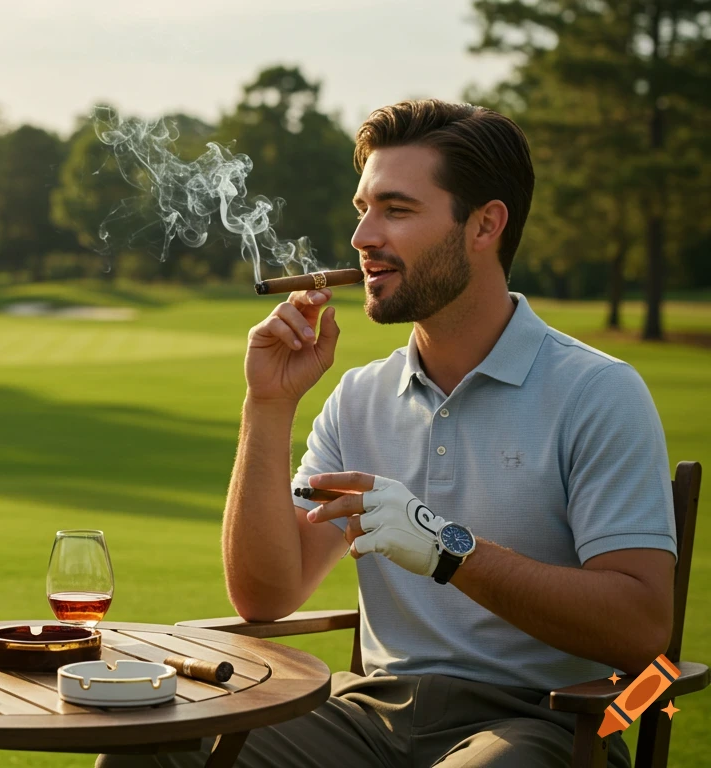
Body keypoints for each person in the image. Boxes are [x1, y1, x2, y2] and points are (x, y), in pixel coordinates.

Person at [100, 100, 676, 767]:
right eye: (362, 208)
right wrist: (268, 405)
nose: (362, 237)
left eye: (396, 211)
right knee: (148, 752)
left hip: (541, 722)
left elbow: (641, 628)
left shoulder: (596, 392)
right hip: (369, 718)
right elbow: (265, 595)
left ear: (485, 225)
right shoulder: (359, 398)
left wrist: (443, 547)